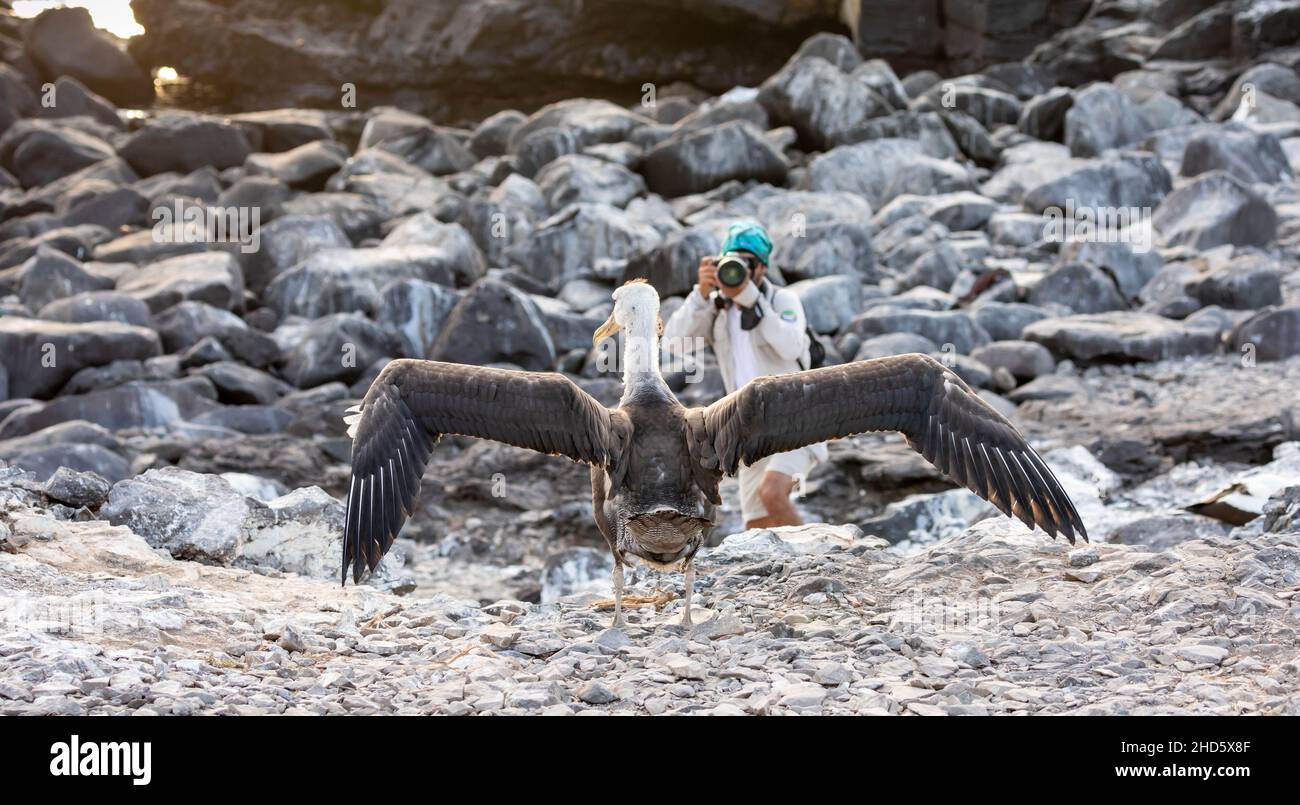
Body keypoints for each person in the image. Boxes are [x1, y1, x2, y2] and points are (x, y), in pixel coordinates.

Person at [663, 220, 828, 530]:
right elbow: (674, 342)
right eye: (731, 260)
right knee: (756, 525)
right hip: (750, 431)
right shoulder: (717, 311)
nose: (737, 269)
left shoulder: (781, 301)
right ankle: (788, 575)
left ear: (762, 268)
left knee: (773, 494)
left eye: (747, 263)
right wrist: (701, 294)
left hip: (798, 420)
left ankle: (821, 560)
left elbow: (791, 345)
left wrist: (754, 301)